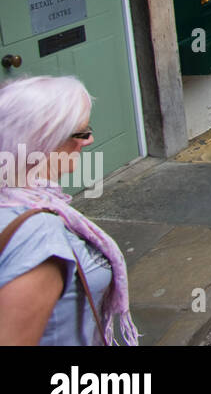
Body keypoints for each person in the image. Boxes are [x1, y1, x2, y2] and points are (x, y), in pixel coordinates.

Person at [0, 76, 139, 345]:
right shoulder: (39, 235)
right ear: (43, 140)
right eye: (81, 133)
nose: (89, 140)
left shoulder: (15, 199)